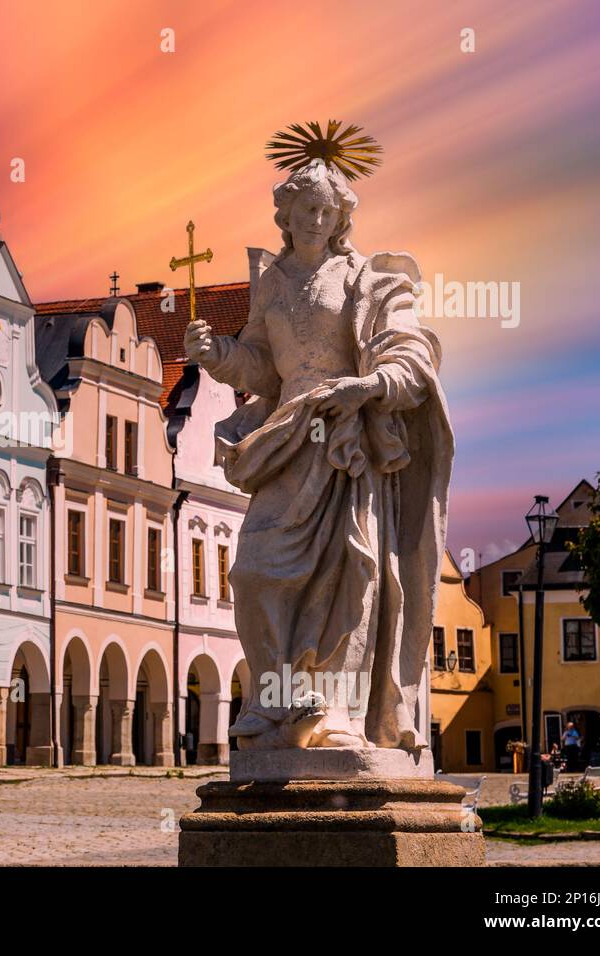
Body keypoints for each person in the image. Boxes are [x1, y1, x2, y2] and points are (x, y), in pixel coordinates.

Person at [185, 158, 452, 751]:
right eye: (303, 207)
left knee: (346, 575)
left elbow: (411, 360)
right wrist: (216, 354)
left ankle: (333, 714)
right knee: (254, 570)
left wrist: (368, 385)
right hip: (287, 438)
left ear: (339, 219)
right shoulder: (273, 283)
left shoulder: (366, 281)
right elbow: (261, 366)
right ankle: (273, 701)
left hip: (344, 442)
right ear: (285, 213)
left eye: (325, 210)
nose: (313, 218)